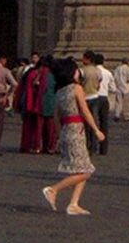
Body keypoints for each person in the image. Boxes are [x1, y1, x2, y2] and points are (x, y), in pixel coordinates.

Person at [42, 56, 102, 215]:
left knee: (83, 167)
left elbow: (56, 118)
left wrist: (59, 136)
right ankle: (53, 189)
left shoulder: (59, 92)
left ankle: (74, 203)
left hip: (66, 130)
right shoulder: (76, 89)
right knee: (85, 172)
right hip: (77, 129)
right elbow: (85, 111)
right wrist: (96, 130)